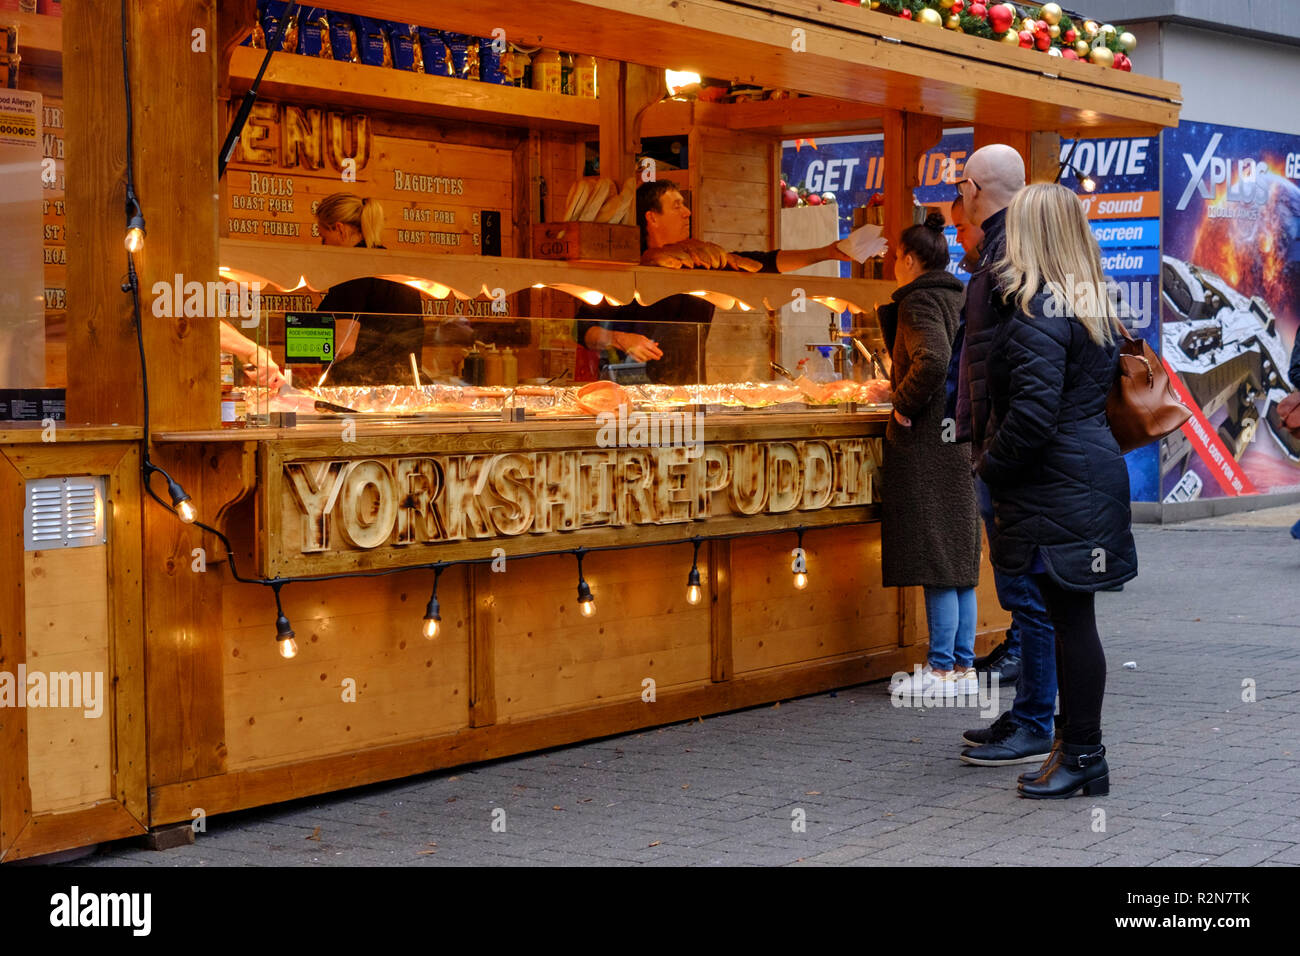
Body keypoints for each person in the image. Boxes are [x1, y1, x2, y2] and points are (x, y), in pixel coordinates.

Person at [976, 183, 1138, 798]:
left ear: (1033, 233)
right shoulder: (1088, 298)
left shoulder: (1041, 306)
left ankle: (1085, 758)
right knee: (1072, 619)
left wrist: (989, 465)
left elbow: (1033, 414)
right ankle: (1074, 753)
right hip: (1082, 474)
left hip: (1056, 482)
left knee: (1070, 620)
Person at [949, 145, 1057, 769]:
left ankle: (1037, 722)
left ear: (972, 187)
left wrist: (993, 450)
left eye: (961, 187)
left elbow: (1017, 367)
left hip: (1008, 448)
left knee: (1028, 592)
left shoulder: (1008, 251)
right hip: (1002, 441)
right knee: (1025, 592)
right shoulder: (1009, 245)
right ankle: (1030, 714)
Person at [576, 181, 850, 384]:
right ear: (652, 217)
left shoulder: (703, 263)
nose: (687, 213)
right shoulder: (628, 268)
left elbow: (767, 262)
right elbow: (583, 329)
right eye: (677, 206)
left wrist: (826, 252)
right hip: (627, 396)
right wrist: (620, 338)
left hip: (689, 394)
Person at [879, 214, 981, 697]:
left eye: (895, 257)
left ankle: (941, 669)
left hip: (927, 445)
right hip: (957, 437)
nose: (892, 266)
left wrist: (901, 405)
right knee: (958, 558)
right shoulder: (958, 294)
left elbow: (934, 360)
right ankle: (961, 665)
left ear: (910, 259)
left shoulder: (917, 300)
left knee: (936, 554)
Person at [314, 193, 424, 386]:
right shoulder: (393, 266)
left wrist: (303, 349)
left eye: (324, 237)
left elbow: (343, 346)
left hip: (363, 389)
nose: (323, 246)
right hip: (404, 386)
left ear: (340, 229)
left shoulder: (352, 269)